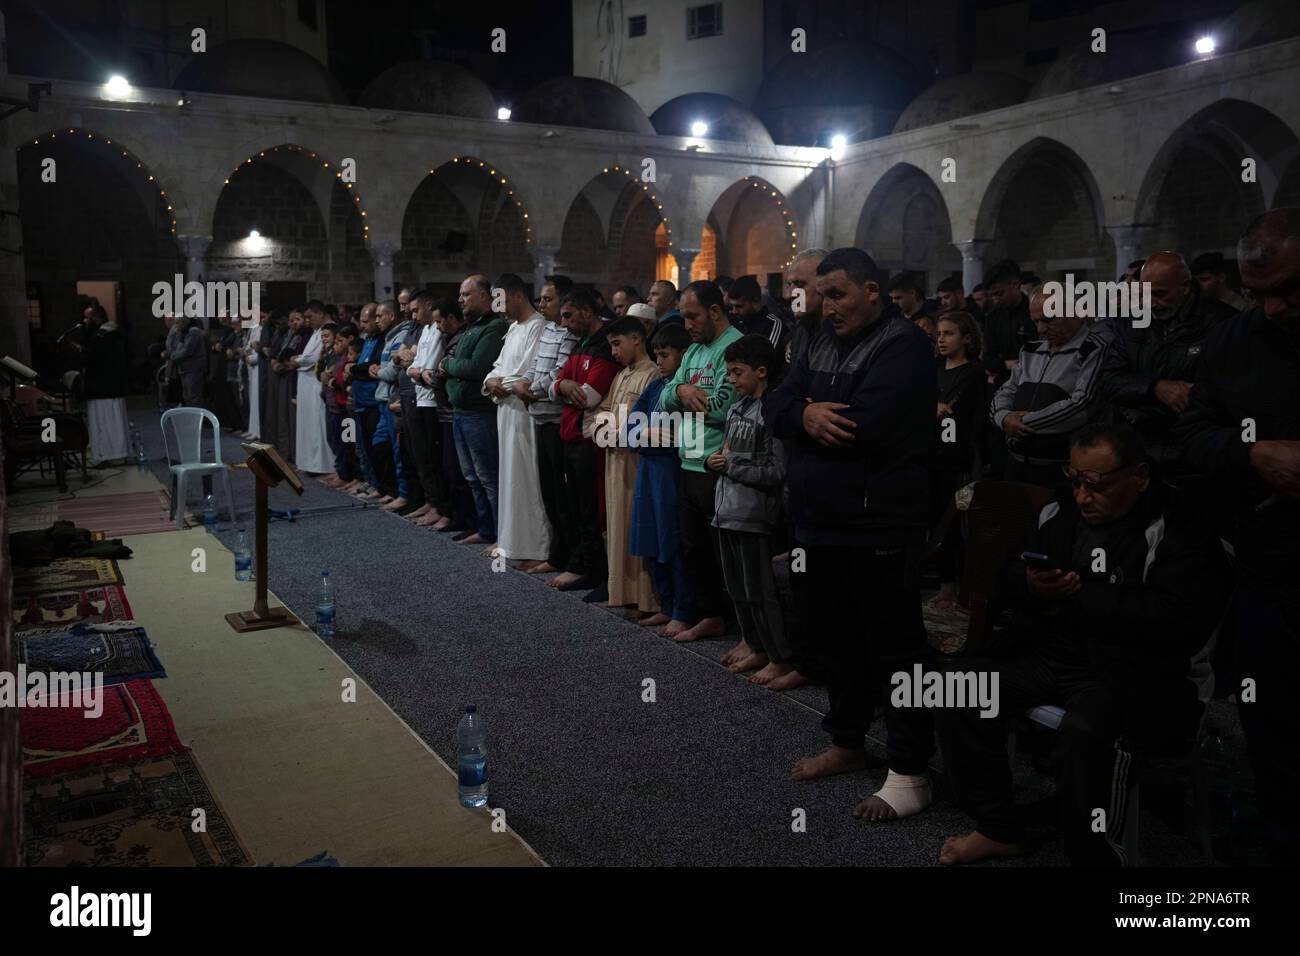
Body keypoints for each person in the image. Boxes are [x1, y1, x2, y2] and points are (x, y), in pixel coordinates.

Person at [937, 425, 1230, 866]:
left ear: (1140, 476)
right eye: (1074, 480)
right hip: (1056, 654)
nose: (1081, 496)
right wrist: (1033, 588)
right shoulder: (1060, 511)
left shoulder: (1181, 526)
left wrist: (1072, 599)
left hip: (1140, 673)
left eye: (1095, 485)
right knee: (958, 687)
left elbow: (1174, 625)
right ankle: (999, 827)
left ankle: (1098, 858)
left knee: (1089, 732)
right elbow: (1003, 581)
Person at [766, 247, 936, 822]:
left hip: (878, 524)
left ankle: (911, 770)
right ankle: (847, 741)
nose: (824, 304)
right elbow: (775, 403)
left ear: (871, 291)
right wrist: (808, 414)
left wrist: (804, 417)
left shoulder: (904, 345)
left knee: (896, 648)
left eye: (836, 293)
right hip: (818, 521)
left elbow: (863, 429)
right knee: (836, 639)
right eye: (821, 293)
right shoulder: (814, 337)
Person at [1175, 207, 1300, 865]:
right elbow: (1196, 432)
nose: (1275, 308)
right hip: (1269, 571)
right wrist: (1254, 455)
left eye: (1290, 291)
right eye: (1260, 295)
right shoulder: (1234, 341)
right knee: (1273, 724)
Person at [659, 280, 743, 643]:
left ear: (714, 311)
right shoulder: (693, 351)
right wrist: (681, 390)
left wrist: (692, 397)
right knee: (694, 550)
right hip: (689, 460)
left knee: (727, 553)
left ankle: (745, 627)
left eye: (692, 316)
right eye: (683, 316)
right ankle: (711, 615)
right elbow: (664, 398)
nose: (687, 324)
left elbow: (723, 407)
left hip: (718, 464)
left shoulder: (735, 347)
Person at [1100, 251, 1236, 475]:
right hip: (1138, 450)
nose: (1152, 303)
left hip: (1198, 454)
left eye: (1160, 294)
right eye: (1145, 294)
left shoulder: (1222, 324)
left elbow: (1230, 389)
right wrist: (1156, 387)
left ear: (1185, 287)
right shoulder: (1129, 324)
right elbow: (1108, 379)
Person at [708, 334, 789, 684]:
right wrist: (717, 462)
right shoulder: (738, 408)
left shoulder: (774, 411)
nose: (731, 380)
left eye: (737, 372)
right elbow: (729, 454)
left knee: (760, 591)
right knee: (737, 587)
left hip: (754, 515)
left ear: (761, 371)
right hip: (727, 509)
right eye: (728, 372)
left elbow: (777, 471)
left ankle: (780, 656)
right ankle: (754, 644)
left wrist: (730, 466)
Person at [990, 287, 1107, 489]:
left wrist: (1021, 423)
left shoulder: (1094, 350)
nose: (1041, 329)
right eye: (1036, 321)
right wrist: (1003, 418)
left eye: (1049, 319)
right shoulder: (1030, 350)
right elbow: (1006, 391)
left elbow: (1081, 406)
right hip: (1016, 463)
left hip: (1062, 470)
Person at [546, 289, 618, 592]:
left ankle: (598, 572)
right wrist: (563, 384)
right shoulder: (579, 345)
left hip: (591, 440)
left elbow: (589, 398)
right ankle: (584, 566)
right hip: (570, 435)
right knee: (574, 506)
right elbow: (551, 387)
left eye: (568, 315)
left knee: (592, 510)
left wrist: (563, 387)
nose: (564, 324)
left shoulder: (605, 347)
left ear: (588, 312)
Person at [627, 322, 695, 632]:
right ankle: (666, 604)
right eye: (656, 354)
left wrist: (651, 435)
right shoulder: (655, 386)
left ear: (684, 354)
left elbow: (680, 437)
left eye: (665, 354)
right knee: (650, 537)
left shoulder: (686, 389)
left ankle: (683, 609)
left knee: (673, 540)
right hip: (648, 472)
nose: (659, 361)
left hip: (671, 472)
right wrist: (644, 432)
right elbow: (629, 427)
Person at [483, 273, 551, 564]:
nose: (499, 308)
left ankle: (535, 548)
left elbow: (527, 373)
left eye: (502, 300)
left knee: (528, 479)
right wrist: (490, 382)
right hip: (505, 410)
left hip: (525, 412)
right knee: (509, 479)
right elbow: (497, 366)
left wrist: (501, 383)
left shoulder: (538, 327)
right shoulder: (513, 329)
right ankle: (511, 540)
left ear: (518, 296)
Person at [595, 315, 661, 614]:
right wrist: (601, 429)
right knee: (617, 526)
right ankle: (621, 592)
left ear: (637, 338)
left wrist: (618, 432)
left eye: (617, 344)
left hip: (637, 462)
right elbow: (605, 409)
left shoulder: (653, 374)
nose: (613, 352)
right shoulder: (621, 375)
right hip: (614, 460)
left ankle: (647, 598)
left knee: (637, 526)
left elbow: (651, 422)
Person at [517, 275, 580, 570]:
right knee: (549, 494)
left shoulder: (570, 333)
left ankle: (569, 559)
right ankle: (558, 555)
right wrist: (527, 382)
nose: (541, 304)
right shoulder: (547, 329)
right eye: (540, 299)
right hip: (539, 417)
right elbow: (535, 364)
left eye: (547, 299)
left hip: (557, 421)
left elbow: (559, 371)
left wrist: (531, 389)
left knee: (565, 496)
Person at [443, 275, 507, 545]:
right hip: (461, 411)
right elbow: (463, 365)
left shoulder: (493, 328)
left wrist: (447, 365)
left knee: (488, 477)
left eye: (466, 294)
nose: (460, 300)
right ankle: (485, 528)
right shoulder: (471, 328)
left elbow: (477, 368)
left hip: (480, 414)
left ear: (484, 296)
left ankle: (500, 533)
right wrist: (455, 366)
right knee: (471, 476)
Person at [930, 312, 985, 609]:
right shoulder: (935, 369)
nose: (941, 339)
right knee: (938, 522)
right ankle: (946, 583)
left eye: (949, 333)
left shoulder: (973, 371)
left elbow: (952, 409)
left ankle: (964, 587)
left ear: (966, 338)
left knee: (958, 523)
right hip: (933, 456)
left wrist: (937, 406)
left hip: (958, 458)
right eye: (939, 333)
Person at [429, 300, 478, 537]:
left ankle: (467, 519)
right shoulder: (452, 338)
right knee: (452, 469)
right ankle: (460, 517)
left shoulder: (461, 338)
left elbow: (452, 371)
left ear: (451, 317)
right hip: (449, 411)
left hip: (456, 411)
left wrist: (436, 373)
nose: (437, 327)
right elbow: (443, 371)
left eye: (439, 321)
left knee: (461, 472)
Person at [405, 291, 447, 524]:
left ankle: (440, 507)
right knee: (421, 456)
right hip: (419, 398)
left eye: (415, 310)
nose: (413, 315)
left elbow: (427, 368)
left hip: (432, 401)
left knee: (433, 458)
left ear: (428, 305)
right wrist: (415, 371)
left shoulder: (439, 330)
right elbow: (416, 367)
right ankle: (431, 502)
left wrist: (415, 371)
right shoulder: (425, 330)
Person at [375, 300, 416, 508]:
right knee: (380, 445)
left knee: (398, 451)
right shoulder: (391, 337)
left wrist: (377, 373)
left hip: (397, 399)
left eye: (379, 315)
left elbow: (391, 372)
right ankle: (389, 488)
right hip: (385, 398)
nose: (405, 309)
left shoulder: (403, 335)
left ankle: (403, 493)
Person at [81, 305, 130, 465]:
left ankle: (108, 455)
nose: (84, 321)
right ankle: (118, 453)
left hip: (102, 388)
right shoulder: (114, 334)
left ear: (96, 318)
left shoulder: (102, 336)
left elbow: (92, 358)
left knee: (104, 423)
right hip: (112, 386)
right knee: (114, 422)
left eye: (87, 318)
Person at [979, 259, 1035, 388]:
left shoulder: (1034, 312)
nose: (995, 299)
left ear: (1015, 284)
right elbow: (987, 359)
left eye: (999, 294)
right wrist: (1005, 365)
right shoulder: (993, 317)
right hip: (1004, 383)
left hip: (1033, 380)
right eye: (992, 295)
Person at [294, 301, 334, 476]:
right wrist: (300, 359)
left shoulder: (329, 329)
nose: (308, 321)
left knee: (319, 425)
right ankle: (310, 463)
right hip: (307, 383)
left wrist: (296, 360)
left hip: (316, 384)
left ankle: (324, 465)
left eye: (310, 317)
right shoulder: (315, 332)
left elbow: (313, 358)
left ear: (320, 313)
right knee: (308, 425)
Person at [726, 275, 791, 356]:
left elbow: (764, 360)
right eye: (732, 306)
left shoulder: (773, 325)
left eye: (739, 306)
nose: (734, 311)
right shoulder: (739, 324)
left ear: (755, 301)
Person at [165, 314, 206, 409]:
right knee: (187, 396)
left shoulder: (193, 332)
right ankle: (190, 419)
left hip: (193, 369)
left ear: (184, 322)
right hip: (184, 369)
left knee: (194, 396)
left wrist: (172, 356)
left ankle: (196, 420)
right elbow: (171, 345)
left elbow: (186, 351)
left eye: (177, 323)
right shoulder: (181, 332)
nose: (175, 326)